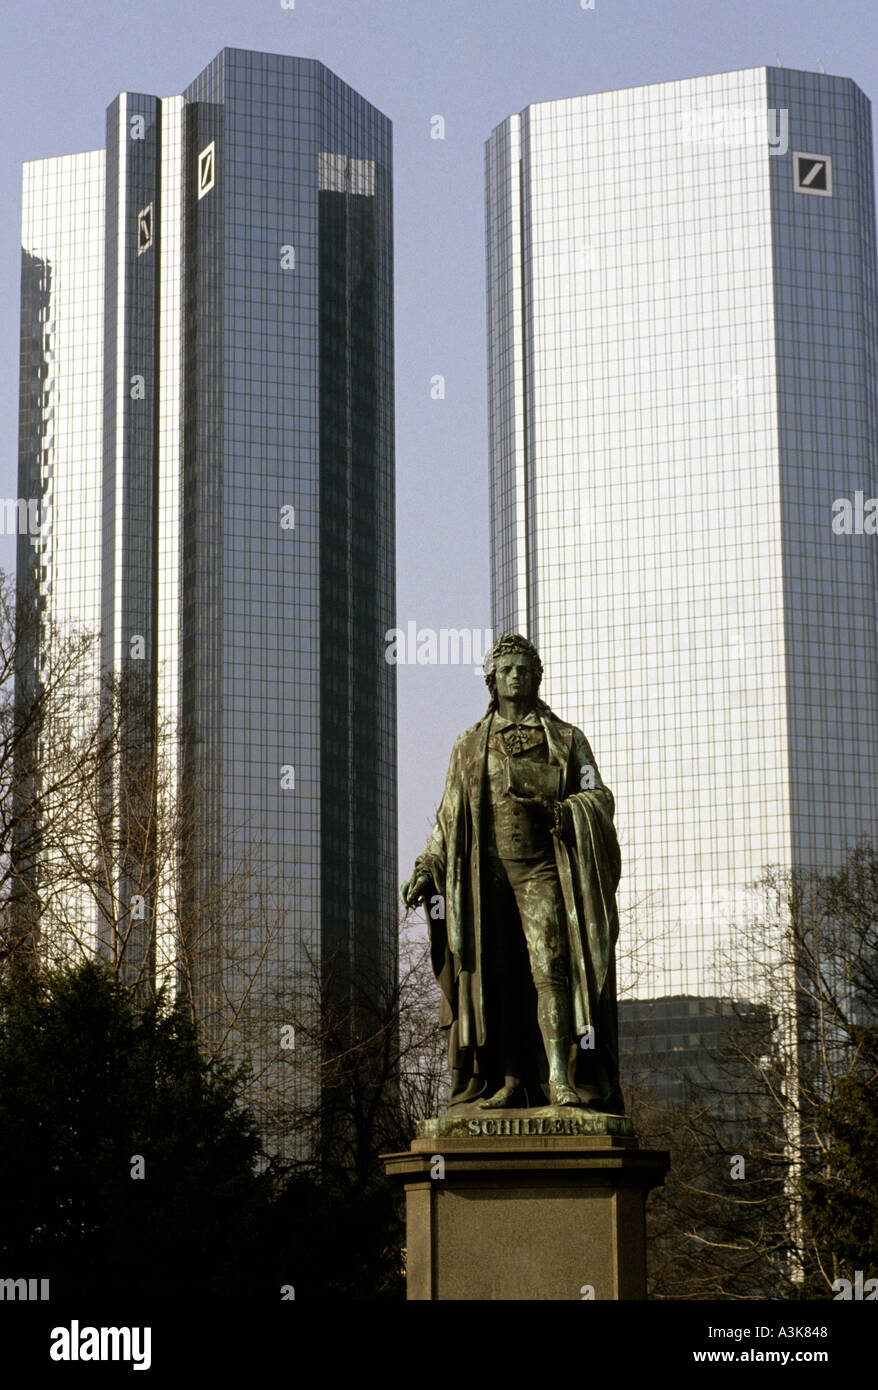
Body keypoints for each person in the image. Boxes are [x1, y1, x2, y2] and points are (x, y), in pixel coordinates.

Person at [402, 632, 624, 1112]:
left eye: (525, 668)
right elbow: (449, 817)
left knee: (551, 972)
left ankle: (562, 1079)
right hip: (486, 880)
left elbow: (600, 797)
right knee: (495, 978)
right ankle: (510, 1080)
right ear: (492, 681)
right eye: (507, 669)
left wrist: (566, 813)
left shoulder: (565, 739)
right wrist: (428, 867)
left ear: (537, 677)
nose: (517, 675)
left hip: (544, 870)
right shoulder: (468, 746)